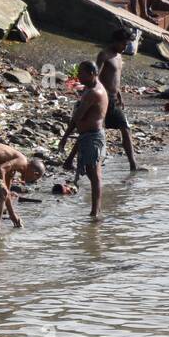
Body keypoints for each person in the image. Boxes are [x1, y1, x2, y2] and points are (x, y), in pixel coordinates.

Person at [59, 60, 109, 219]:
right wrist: (70, 156)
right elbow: (81, 126)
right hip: (89, 136)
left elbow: (77, 117)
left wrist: (65, 137)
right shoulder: (90, 88)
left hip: (93, 137)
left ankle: (95, 212)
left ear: (92, 74)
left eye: (81, 73)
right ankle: (96, 211)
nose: (78, 76)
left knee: (94, 175)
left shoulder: (95, 92)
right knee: (92, 173)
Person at [98, 28, 140, 171]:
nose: (125, 47)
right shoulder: (104, 55)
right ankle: (79, 161)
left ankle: (133, 165)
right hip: (103, 99)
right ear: (116, 41)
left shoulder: (119, 56)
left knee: (125, 129)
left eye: (127, 44)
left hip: (114, 99)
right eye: (124, 44)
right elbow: (96, 78)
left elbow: (116, 79)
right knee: (95, 131)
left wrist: (120, 96)